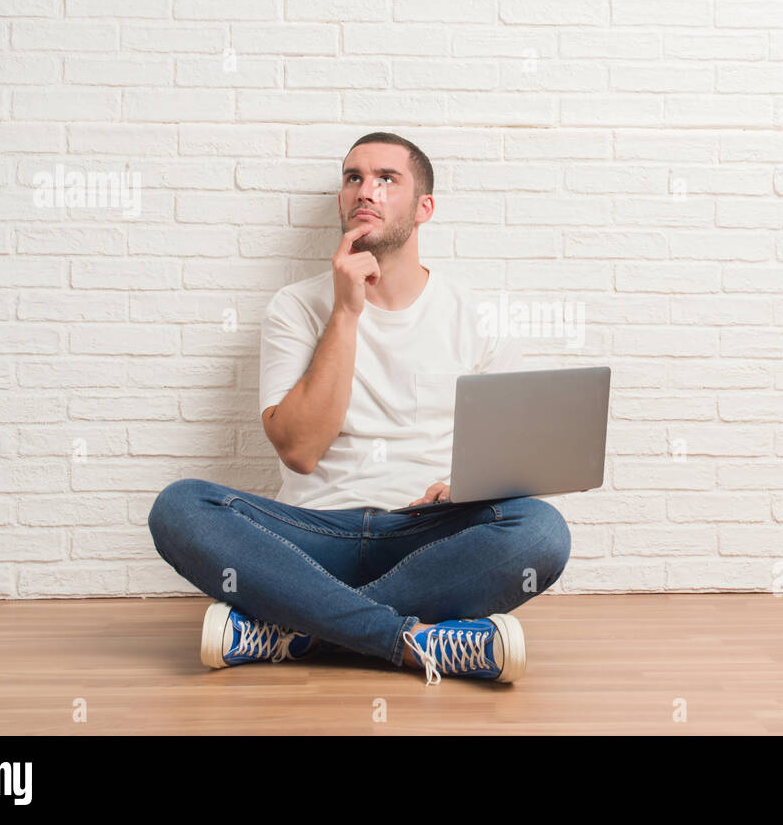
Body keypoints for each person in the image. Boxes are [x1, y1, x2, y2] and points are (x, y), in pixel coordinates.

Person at [147, 132, 572, 686]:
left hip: (424, 536)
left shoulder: (478, 317)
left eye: (386, 179)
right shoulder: (295, 307)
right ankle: (408, 641)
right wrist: (346, 311)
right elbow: (300, 451)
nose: (365, 190)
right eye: (354, 178)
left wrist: (462, 486)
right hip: (310, 537)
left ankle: (294, 632)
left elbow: (512, 461)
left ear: (425, 208)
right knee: (179, 508)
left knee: (541, 531)